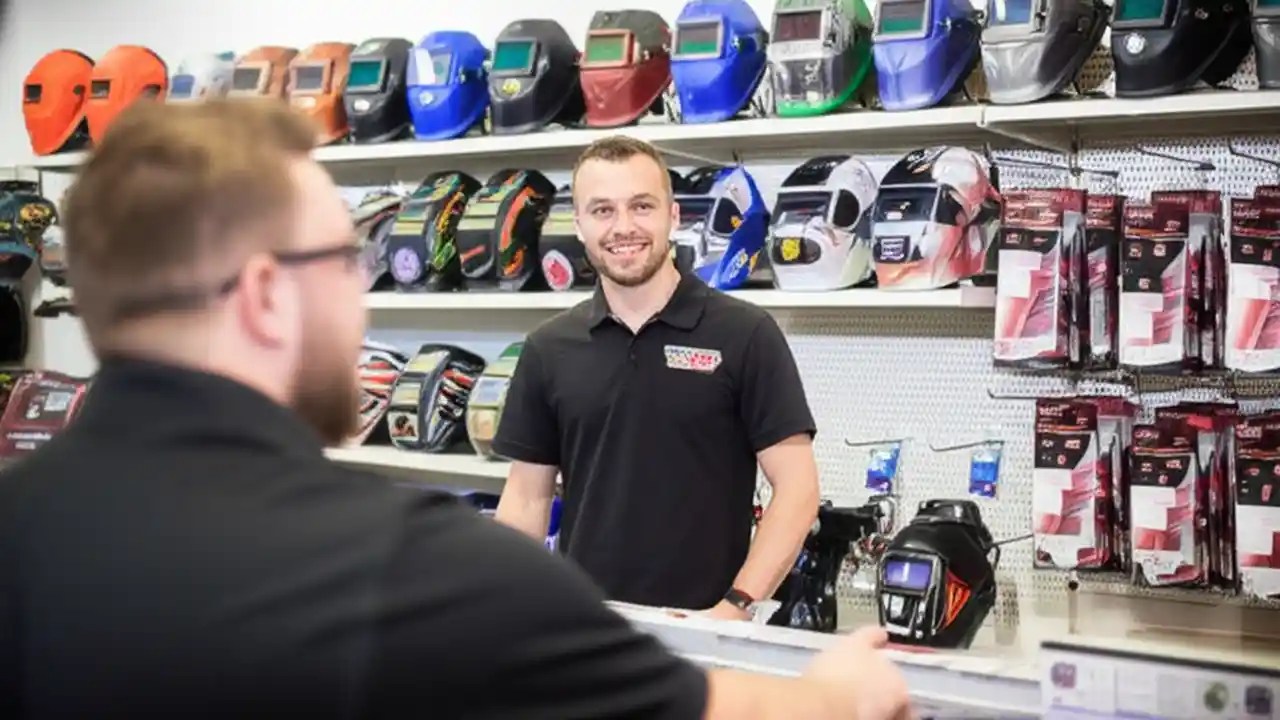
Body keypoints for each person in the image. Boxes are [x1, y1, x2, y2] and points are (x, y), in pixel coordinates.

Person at [0, 99, 913, 719]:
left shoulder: (21, 526)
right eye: (339, 266)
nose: (360, 303)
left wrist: (740, 609)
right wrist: (832, 693)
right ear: (269, 296)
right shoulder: (393, 564)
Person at [494, 136, 821, 620]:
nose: (623, 226)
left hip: (708, 633)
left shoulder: (745, 334)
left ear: (673, 214)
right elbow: (526, 498)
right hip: (588, 631)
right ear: (579, 224)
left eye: (641, 206)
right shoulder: (549, 348)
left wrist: (734, 607)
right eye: (602, 210)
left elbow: (797, 490)